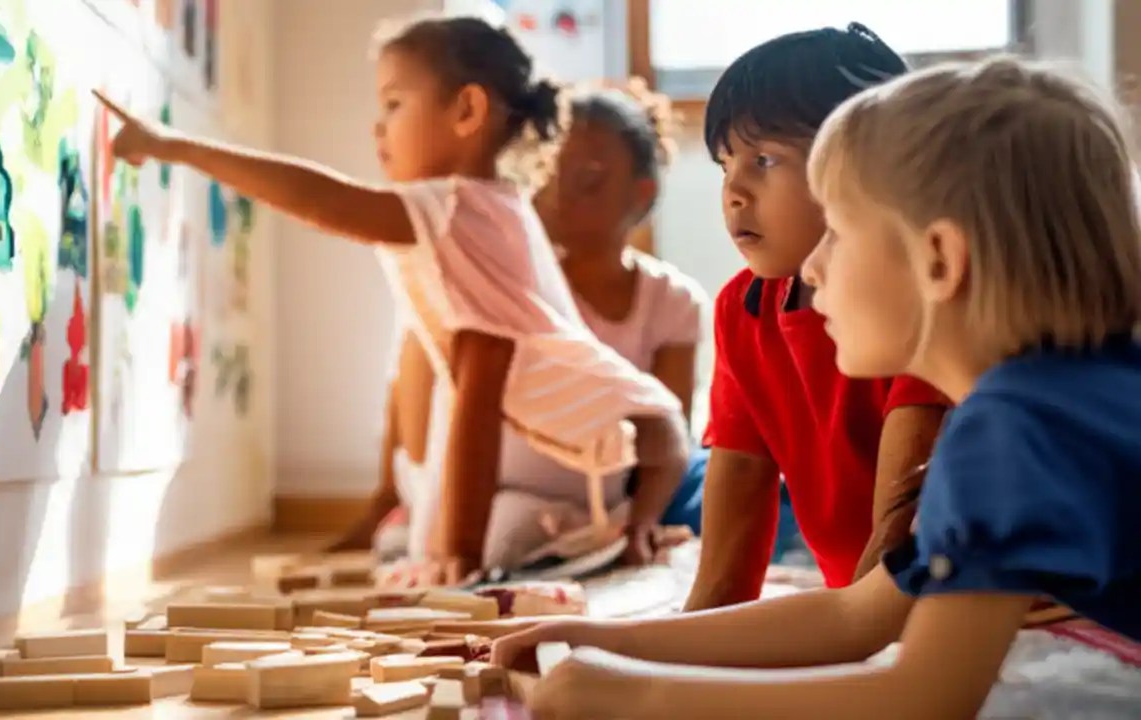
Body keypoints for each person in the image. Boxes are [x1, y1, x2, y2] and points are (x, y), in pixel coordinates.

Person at [491, 55, 1141, 720]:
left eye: (839, 231)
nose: (815, 266)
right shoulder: (1059, 398)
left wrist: (637, 698)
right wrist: (606, 639)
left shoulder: (1010, 430)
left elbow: (922, 695)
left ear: (940, 261)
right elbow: (858, 614)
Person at [96, 13, 687, 582]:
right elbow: (471, 398)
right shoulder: (490, 208)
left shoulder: (459, 208)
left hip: (606, 412)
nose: (377, 127)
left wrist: (177, 146)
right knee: (452, 522)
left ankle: (628, 531)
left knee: (639, 445)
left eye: (394, 104)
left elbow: (323, 201)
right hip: (593, 417)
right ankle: (617, 530)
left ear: (467, 111)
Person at [332, 82, 709, 570]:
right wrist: (392, 490)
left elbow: (664, 434)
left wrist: (643, 522)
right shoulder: (504, 279)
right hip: (487, 498)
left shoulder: (671, 300)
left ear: (642, 194)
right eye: (549, 175)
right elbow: (424, 386)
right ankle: (405, 512)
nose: (559, 195)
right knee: (505, 539)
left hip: (597, 502)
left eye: (589, 179)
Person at [682, 24, 950, 611]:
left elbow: (888, 576)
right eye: (724, 164)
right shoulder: (743, 309)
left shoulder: (923, 298)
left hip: (916, 618)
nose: (733, 191)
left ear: (868, 165)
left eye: (764, 158)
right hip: (850, 617)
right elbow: (723, 583)